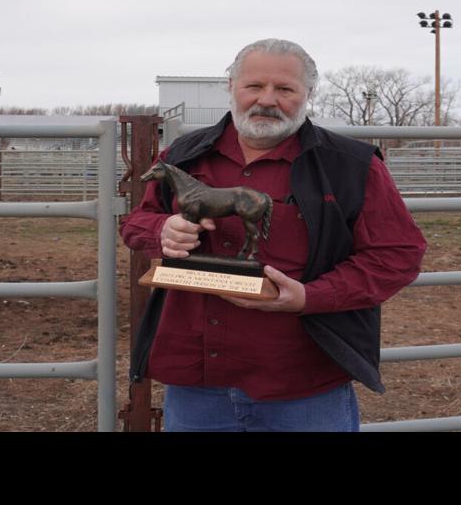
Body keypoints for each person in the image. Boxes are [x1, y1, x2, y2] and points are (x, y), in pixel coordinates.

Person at [122, 38, 427, 432]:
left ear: (308, 93)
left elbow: (397, 254)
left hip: (301, 382)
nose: (267, 100)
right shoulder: (183, 154)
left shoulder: (352, 165)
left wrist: (311, 296)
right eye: (254, 86)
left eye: (285, 89)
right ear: (231, 87)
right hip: (196, 382)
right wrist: (162, 229)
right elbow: (137, 223)